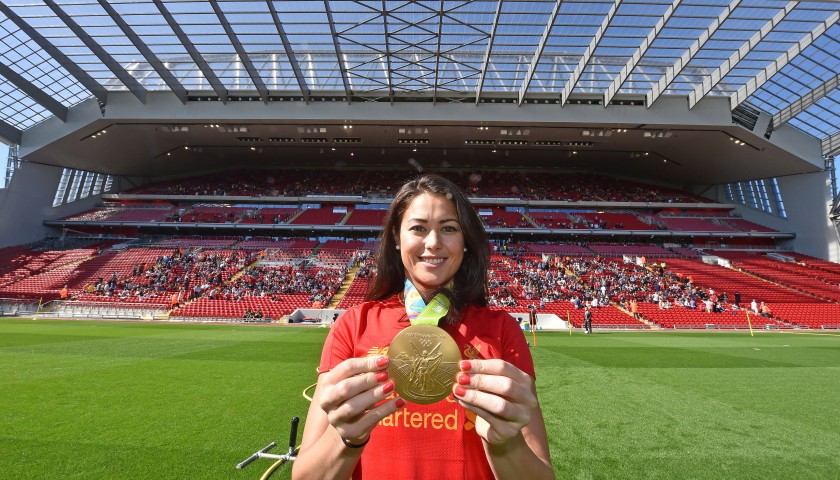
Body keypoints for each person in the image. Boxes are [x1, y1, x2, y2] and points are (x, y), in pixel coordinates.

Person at [293, 174, 554, 480]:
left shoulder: (502, 329)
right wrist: (347, 439)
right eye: (418, 228)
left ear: (466, 240)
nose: (433, 243)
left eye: (449, 229)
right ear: (396, 236)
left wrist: (505, 444)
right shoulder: (353, 325)